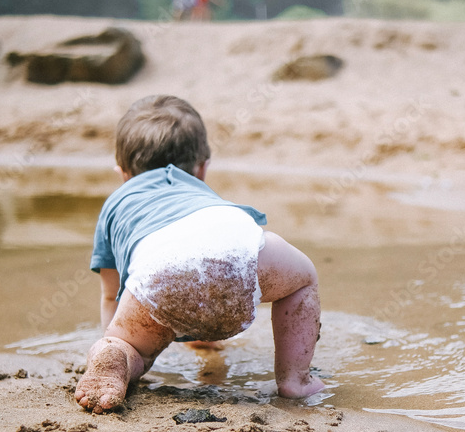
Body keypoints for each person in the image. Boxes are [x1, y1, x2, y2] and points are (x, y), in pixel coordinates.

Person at [75, 95, 325, 413]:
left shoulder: (117, 203)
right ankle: (295, 379)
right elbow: (206, 261)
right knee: (302, 276)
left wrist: (121, 336)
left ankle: (115, 358)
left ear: (122, 173)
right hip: (239, 260)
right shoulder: (205, 197)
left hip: (158, 275)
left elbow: (112, 294)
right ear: (202, 168)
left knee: (130, 346)